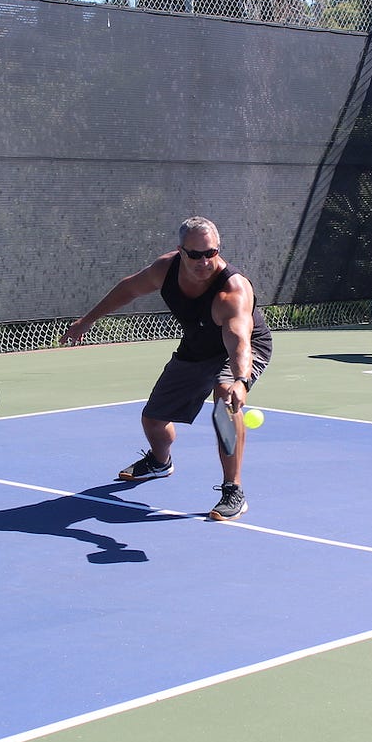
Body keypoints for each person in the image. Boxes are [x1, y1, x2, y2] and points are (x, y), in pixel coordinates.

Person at [61, 217, 273, 521]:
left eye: (211, 253)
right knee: (153, 419)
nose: (204, 261)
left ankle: (233, 490)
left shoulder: (232, 291)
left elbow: (239, 341)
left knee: (224, 400)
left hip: (241, 348)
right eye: (195, 254)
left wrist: (240, 380)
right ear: (180, 251)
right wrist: (87, 321)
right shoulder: (166, 269)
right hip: (198, 344)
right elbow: (128, 289)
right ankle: (160, 463)